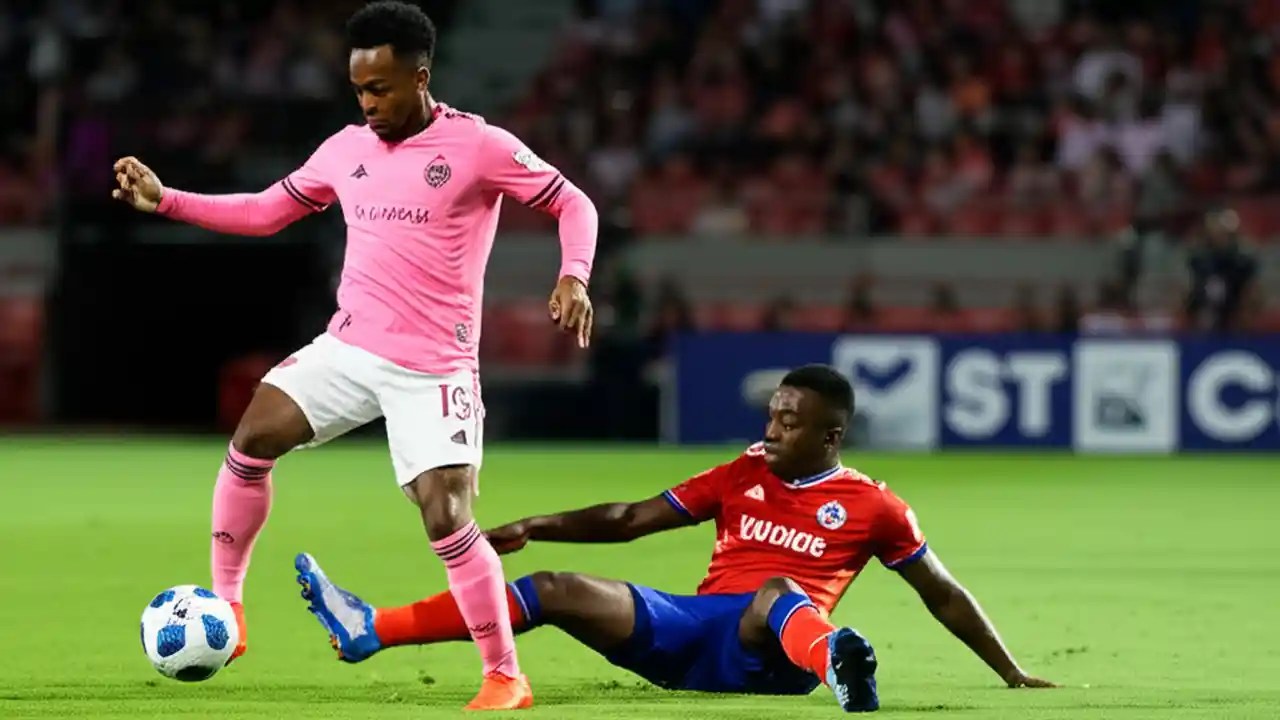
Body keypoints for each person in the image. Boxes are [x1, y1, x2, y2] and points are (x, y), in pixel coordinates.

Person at [110, 1, 598, 710]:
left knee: (446, 517)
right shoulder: (345, 150)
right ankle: (229, 609)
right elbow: (266, 211)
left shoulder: (481, 146)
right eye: (359, 90)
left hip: (435, 367)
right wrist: (167, 201)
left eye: (381, 89)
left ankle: (503, 675)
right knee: (251, 440)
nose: (368, 103)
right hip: (349, 348)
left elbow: (573, 203)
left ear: (420, 76)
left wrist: (574, 274)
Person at [294, 365, 1054, 713]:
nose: (773, 426)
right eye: (773, 413)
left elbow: (941, 593)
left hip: (779, 652)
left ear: (832, 434)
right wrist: (533, 525)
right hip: (693, 636)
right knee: (554, 590)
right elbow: (631, 519)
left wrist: (1011, 672)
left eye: (791, 420)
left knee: (779, 593)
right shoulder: (740, 473)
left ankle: (841, 670)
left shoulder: (874, 507)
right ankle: (373, 629)